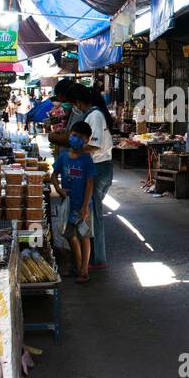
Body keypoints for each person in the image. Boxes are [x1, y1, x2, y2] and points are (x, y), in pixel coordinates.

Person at [73, 85, 115, 269]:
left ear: (80, 102)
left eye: (76, 103)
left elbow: (95, 145)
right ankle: (94, 257)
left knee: (95, 213)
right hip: (98, 166)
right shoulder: (92, 114)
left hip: (99, 167)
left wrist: (76, 151)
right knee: (92, 212)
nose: (76, 107)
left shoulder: (95, 116)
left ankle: (98, 258)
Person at [51, 120, 95, 283]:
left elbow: (90, 183)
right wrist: (59, 189)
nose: (75, 138)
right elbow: (54, 175)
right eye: (74, 135)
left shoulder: (86, 159)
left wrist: (85, 207)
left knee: (84, 236)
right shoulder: (63, 157)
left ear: (86, 140)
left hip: (82, 206)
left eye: (79, 137)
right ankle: (78, 265)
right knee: (70, 235)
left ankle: (83, 270)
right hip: (68, 205)